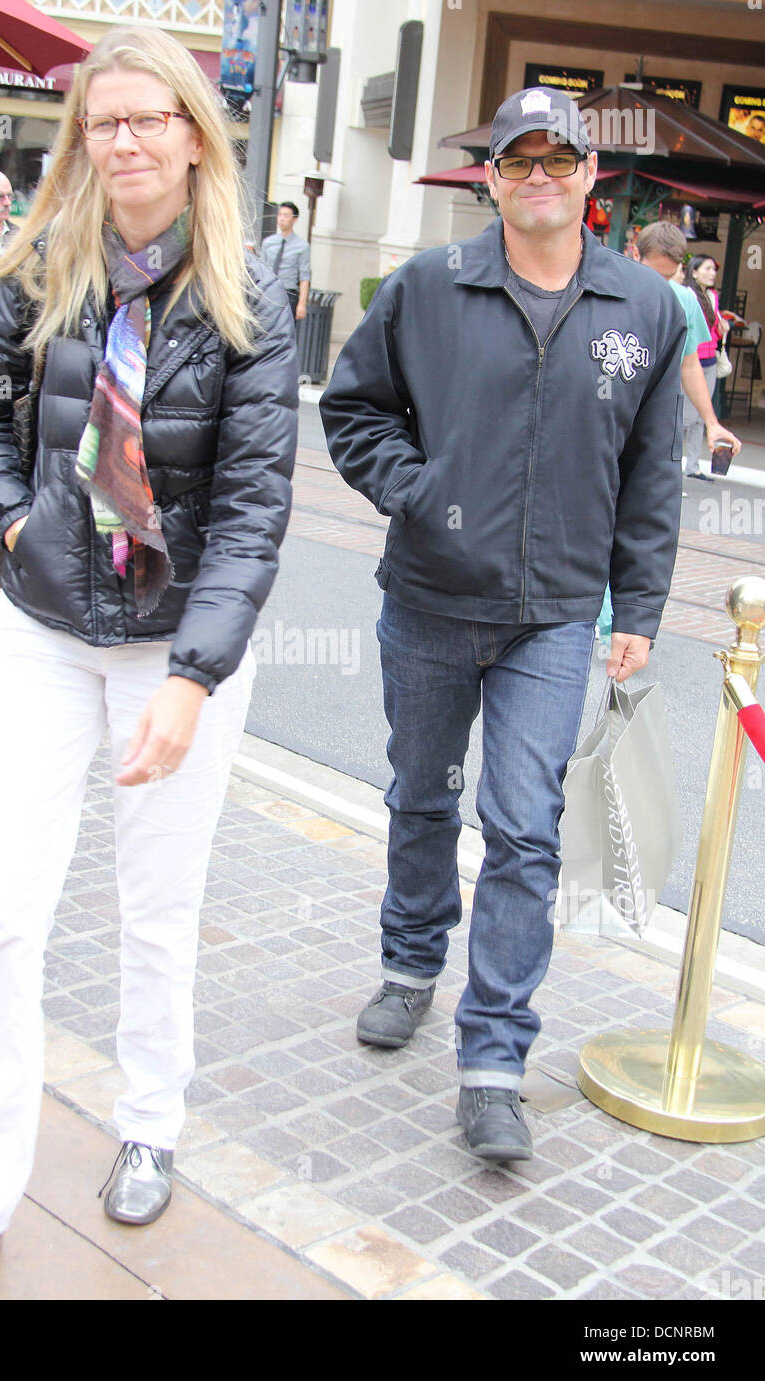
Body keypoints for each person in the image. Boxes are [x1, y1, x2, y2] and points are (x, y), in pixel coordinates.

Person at [0, 24, 297, 1300]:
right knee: (5, 910)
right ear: (83, 139)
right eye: (102, 122)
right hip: (50, 634)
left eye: (147, 119)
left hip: (174, 647)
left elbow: (257, 508)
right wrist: (9, 531)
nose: (124, 141)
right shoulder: (42, 265)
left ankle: (150, 1120)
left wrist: (192, 677)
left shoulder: (250, 296)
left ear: (191, 133)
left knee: (155, 912)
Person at [320, 87, 687, 1165]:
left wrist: (643, 611)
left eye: (557, 159)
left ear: (590, 177)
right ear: (492, 178)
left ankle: (494, 1058)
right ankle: (409, 960)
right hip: (430, 597)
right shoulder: (429, 288)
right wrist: (420, 492)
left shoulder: (645, 311)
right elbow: (352, 408)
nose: (538, 175)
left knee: (525, 826)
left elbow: (651, 478)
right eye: (517, 159)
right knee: (422, 797)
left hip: (555, 615)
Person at [634, 225, 740, 477]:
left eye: (669, 276)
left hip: (658, 417)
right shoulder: (612, 288)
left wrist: (712, 423)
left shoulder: (685, 299)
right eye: (655, 275)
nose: (662, 285)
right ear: (636, 256)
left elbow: (689, 364)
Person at [683, 253, 728, 476]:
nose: (712, 273)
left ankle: (692, 466)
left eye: (714, 269)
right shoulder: (688, 294)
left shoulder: (713, 297)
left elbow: (713, 326)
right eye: (707, 268)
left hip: (710, 359)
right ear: (694, 271)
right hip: (692, 361)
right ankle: (666, 463)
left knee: (701, 418)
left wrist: (722, 326)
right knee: (687, 416)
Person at [260, 200, 310, 321]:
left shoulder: (302, 246)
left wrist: (302, 304)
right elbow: (261, 271)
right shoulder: (268, 243)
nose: (281, 219)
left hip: (288, 294)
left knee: (285, 333)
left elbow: (304, 277)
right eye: (280, 214)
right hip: (268, 293)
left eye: (286, 215)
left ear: (295, 219)